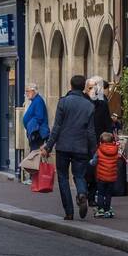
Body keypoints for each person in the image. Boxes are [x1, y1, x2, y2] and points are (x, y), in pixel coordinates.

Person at [41, 75, 97, 220]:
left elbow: (57, 127)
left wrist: (48, 146)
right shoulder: (89, 106)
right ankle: (82, 193)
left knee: (63, 178)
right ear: (84, 87)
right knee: (79, 175)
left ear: (70, 86)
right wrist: (94, 151)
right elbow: (91, 131)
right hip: (81, 147)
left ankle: (69, 212)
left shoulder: (63, 102)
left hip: (63, 146)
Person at [85, 77, 113, 194]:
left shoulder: (101, 104)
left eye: (94, 87)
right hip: (88, 140)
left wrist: (108, 139)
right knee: (91, 168)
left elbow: (107, 124)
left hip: (97, 141)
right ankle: (89, 193)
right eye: (90, 88)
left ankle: (89, 193)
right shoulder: (100, 103)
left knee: (93, 168)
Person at [92, 132, 120, 218]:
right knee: (108, 194)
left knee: (100, 193)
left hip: (101, 177)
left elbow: (94, 162)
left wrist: (90, 162)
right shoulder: (116, 150)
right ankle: (107, 209)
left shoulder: (99, 150)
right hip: (111, 177)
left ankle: (100, 209)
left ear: (101, 142)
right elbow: (117, 162)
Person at [22, 83, 49, 151]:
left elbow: (39, 117)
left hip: (37, 134)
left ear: (33, 91)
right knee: (35, 155)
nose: (26, 93)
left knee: (35, 155)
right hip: (35, 133)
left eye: (28, 91)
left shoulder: (38, 101)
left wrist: (30, 127)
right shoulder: (35, 101)